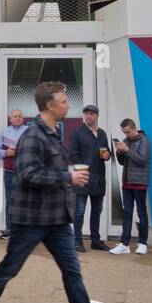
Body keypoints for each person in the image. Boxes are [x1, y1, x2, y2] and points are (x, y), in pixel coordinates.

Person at [0, 81, 126, 303]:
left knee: (72, 271)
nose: (68, 105)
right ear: (50, 106)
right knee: (10, 268)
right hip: (29, 219)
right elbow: (28, 173)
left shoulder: (54, 132)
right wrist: (68, 176)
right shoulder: (32, 135)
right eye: (64, 101)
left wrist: (69, 174)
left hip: (56, 219)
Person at [68, 104, 112, 251]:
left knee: (96, 211)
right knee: (79, 211)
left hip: (98, 179)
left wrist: (107, 155)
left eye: (92, 114)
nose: (89, 116)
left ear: (97, 116)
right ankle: (77, 241)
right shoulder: (77, 133)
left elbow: (106, 151)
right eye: (86, 114)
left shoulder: (102, 134)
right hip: (83, 177)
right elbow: (72, 155)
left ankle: (96, 241)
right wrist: (85, 167)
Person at [110, 119, 152, 256]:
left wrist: (127, 149)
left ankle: (142, 243)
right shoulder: (126, 140)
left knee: (141, 212)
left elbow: (142, 160)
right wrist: (119, 152)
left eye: (128, 132)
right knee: (127, 212)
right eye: (124, 132)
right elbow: (122, 162)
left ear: (134, 128)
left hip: (140, 182)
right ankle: (124, 244)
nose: (126, 135)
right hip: (127, 182)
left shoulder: (144, 140)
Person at [0, 109, 27, 240]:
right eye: (15, 116)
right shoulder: (4, 132)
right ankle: (10, 230)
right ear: (10, 119)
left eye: (20, 116)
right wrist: (6, 153)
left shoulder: (28, 131)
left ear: (22, 118)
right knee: (10, 201)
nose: (18, 118)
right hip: (10, 173)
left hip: (25, 172)